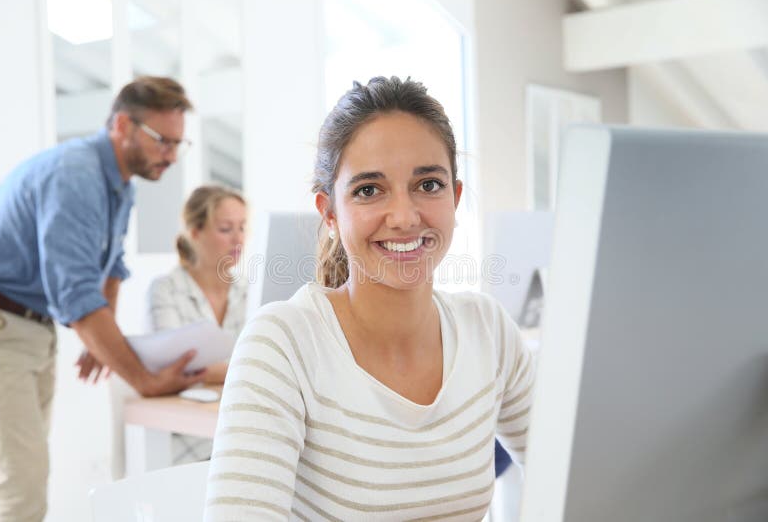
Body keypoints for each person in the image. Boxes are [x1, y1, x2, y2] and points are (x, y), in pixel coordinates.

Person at [203, 76, 536, 521]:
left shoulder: (487, 329)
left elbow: (576, 472)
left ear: (455, 199)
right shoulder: (282, 345)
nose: (403, 216)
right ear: (330, 213)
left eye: (429, 184)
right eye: (368, 190)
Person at [0, 76, 206, 522]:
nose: (171, 156)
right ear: (122, 125)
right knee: (19, 486)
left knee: (27, 478)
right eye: (162, 141)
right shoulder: (75, 176)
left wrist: (101, 336)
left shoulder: (119, 183)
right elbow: (76, 292)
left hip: (30, 328)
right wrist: (145, 381)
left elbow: (111, 267)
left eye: (179, 144)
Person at [149, 185, 248, 385]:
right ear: (195, 232)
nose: (238, 239)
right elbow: (176, 368)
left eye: (242, 227)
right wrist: (249, 371)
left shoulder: (249, 290)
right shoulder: (166, 290)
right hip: (185, 409)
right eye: (226, 229)